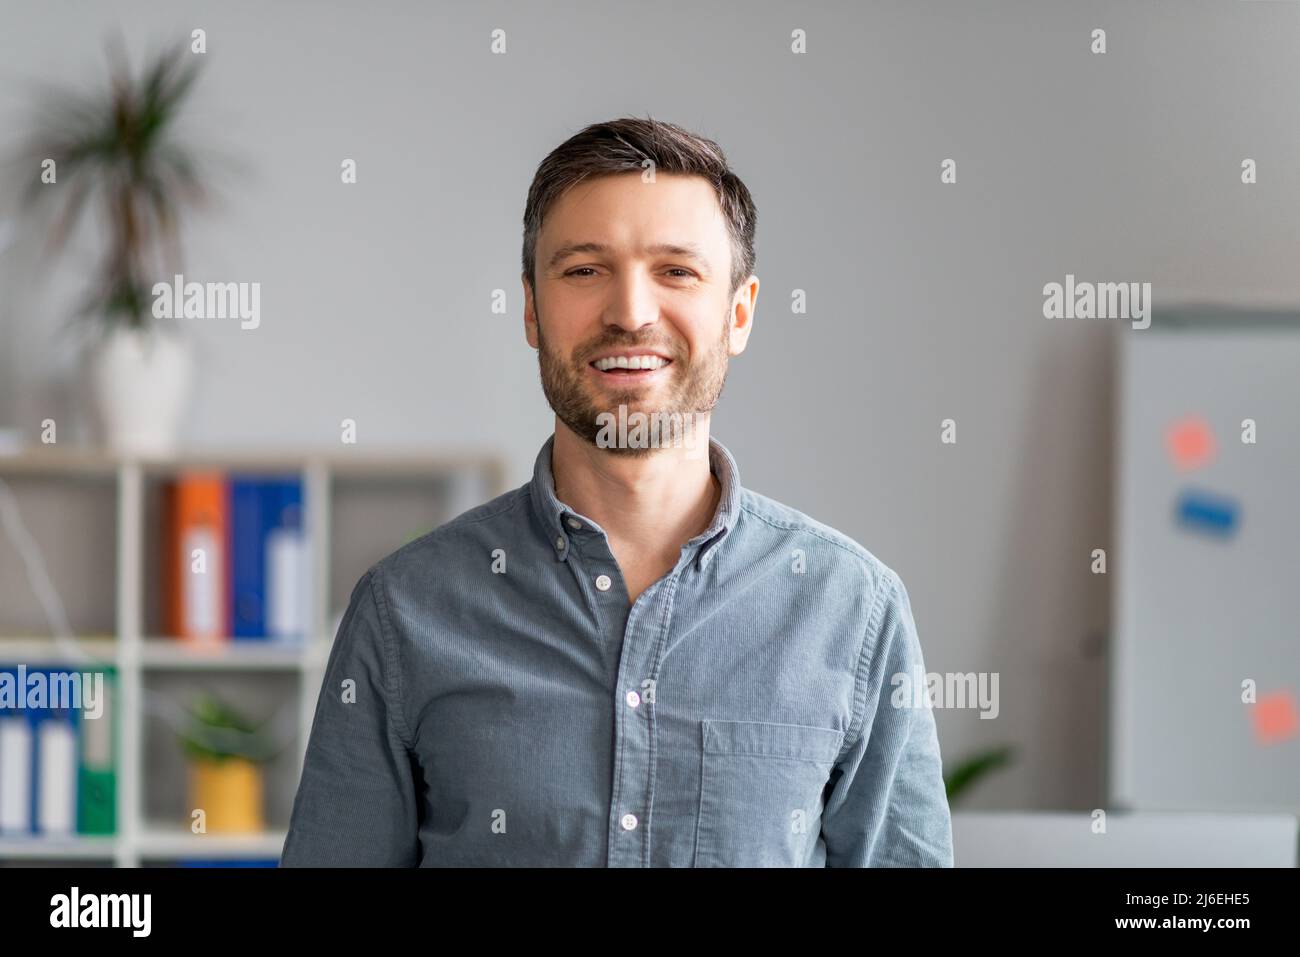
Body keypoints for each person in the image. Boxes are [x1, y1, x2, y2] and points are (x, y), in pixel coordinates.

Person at [281, 116, 953, 867]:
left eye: (677, 270)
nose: (630, 312)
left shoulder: (853, 611)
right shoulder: (404, 611)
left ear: (739, 312)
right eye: (583, 269)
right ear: (531, 310)